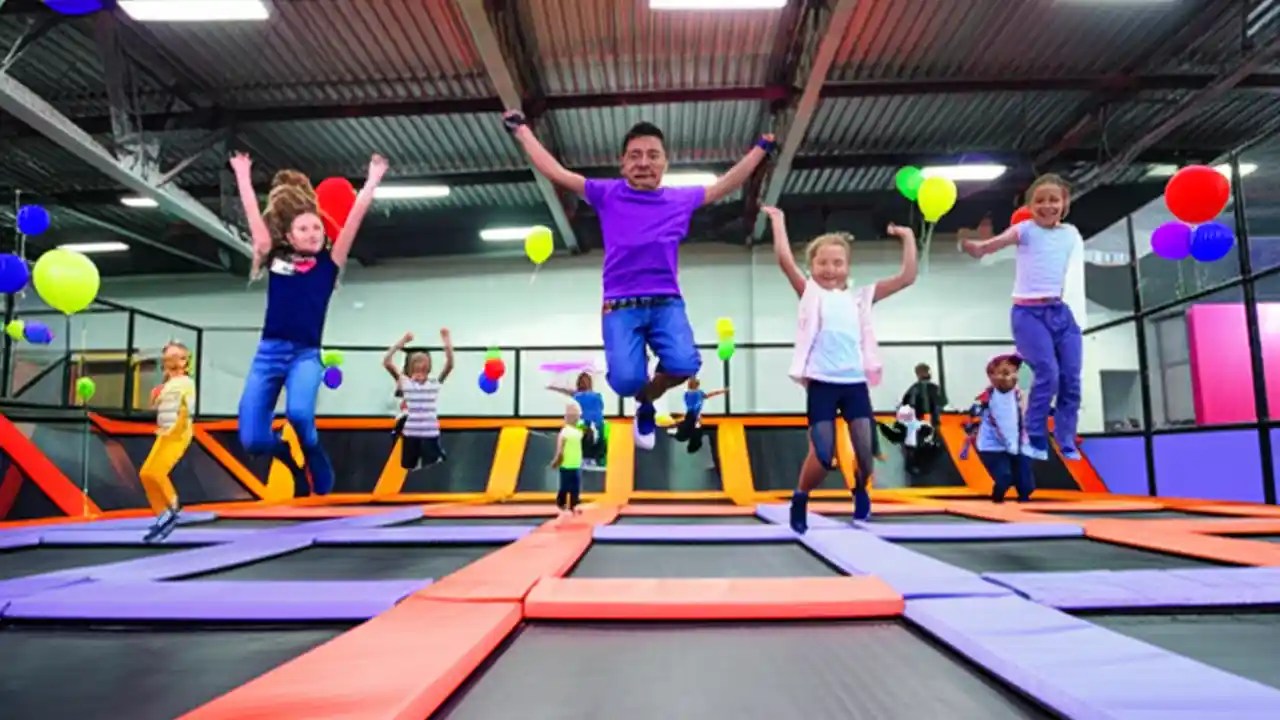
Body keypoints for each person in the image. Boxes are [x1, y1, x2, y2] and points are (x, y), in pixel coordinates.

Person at [503, 111, 774, 451]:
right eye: (635, 156)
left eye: (652, 155)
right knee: (626, 381)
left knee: (685, 364)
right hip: (620, 307)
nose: (643, 162)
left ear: (665, 163)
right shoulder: (606, 193)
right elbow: (556, 172)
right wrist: (522, 130)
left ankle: (648, 401)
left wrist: (761, 149)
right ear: (622, 164)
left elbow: (726, 184)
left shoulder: (681, 199)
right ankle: (640, 397)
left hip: (666, 303)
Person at [230, 151, 389, 496]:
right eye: (304, 228)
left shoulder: (330, 264)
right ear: (289, 235)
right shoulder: (274, 257)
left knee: (300, 415)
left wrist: (372, 179)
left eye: (317, 227)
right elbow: (257, 229)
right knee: (253, 439)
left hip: (305, 355)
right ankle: (288, 459)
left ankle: (314, 453)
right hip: (268, 356)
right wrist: (243, 175)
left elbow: (353, 221)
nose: (313, 232)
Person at [766, 206, 918, 532]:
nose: (830, 269)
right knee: (823, 455)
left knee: (864, 452)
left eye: (837, 263)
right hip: (822, 383)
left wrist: (907, 238)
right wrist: (778, 221)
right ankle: (801, 496)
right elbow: (783, 259)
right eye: (822, 263)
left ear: (848, 267)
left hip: (854, 384)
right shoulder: (809, 292)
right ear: (812, 266)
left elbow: (907, 277)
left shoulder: (861, 297)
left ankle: (860, 490)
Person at [963, 174, 1083, 461]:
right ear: (1030, 205)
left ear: (1064, 203)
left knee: (1071, 379)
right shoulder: (1025, 229)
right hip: (1028, 314)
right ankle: (1036, 436)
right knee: (1048, 374)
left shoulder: (1071, 234)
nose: (1047, 206)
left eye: (1054, 200)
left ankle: (1066, 438)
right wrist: (979, 248)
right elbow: (997, 242)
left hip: (1060, 311)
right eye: (1039, 201)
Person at [960, 352, 1035, 503]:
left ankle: (1023, 511)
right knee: (1004, 477)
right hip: (994, 446)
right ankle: (997, 499)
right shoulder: (987, 397)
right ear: (992, 376)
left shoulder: (1020, 395)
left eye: (1013, 372)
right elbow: (973, 416)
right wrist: (971, 429)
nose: (1010, 377)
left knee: (1026, 485)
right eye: (1004, 373)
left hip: (1018, 444)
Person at [140, 341, 195, 543]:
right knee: (146, 473)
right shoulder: (165, 386)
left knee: (157, 472)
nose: (172, 362)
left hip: (177, 433)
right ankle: (162, 514)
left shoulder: (186, 383)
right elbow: (157, 406)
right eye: (168, 358)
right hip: (164, 433)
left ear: (185, 362)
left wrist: (178, 429)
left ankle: (172, 508)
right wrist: (156, 395)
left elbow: (186, 409)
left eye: (177, 357)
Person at [382, 330, 454, 470]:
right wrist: (402, 341)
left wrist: (446, 341)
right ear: (410, 369)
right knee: (408, 466)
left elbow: (450, 364)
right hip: (411, 434)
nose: (420, 371)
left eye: (423, 367)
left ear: (428, 369)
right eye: (417, 367)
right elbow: (387, 362)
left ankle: (435, 455)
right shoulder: (405, 382)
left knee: (432, 466)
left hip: (430, 433)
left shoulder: (434, 383)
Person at [547, 371, 607, 468]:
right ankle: (595, 460)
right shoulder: (597, 396)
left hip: (583, 427)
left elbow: (568, 392)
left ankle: (583, 460)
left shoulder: (577, 397)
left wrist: (553, 387)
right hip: (597, 427)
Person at [878, 405, 937, 475]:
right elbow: (894, 436)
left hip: (921, 458)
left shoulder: (918, 429)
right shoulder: (918, 427)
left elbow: (894, 437)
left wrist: (881, 426)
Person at [673, 377, 727, 454]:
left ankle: (690, 441)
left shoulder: (693, 394)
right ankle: (690, 440)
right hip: (692, 416)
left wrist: (721, 391)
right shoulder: (693, 394)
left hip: (692, 416)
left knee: (691, 430)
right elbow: (707, 396)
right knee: (692, 430)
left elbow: (708, 395)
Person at [550, 401, 585, 517]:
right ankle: (565, 502)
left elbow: (560, 449)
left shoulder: (570, 431)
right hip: (570, 464)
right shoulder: (573, 432)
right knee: (569, 485)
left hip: (572, 464)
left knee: (569, 485)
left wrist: (557, 460)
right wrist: (557, 459)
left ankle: (569, 503)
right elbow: (560, 449)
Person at [901, 362, 946, 429]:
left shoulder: (934, 388)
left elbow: (942, 403)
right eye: (924, 371)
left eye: (926, 371)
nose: (927, 373)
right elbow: (907, 403)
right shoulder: (915, 388)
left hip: (932, 423)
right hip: (918, 423)